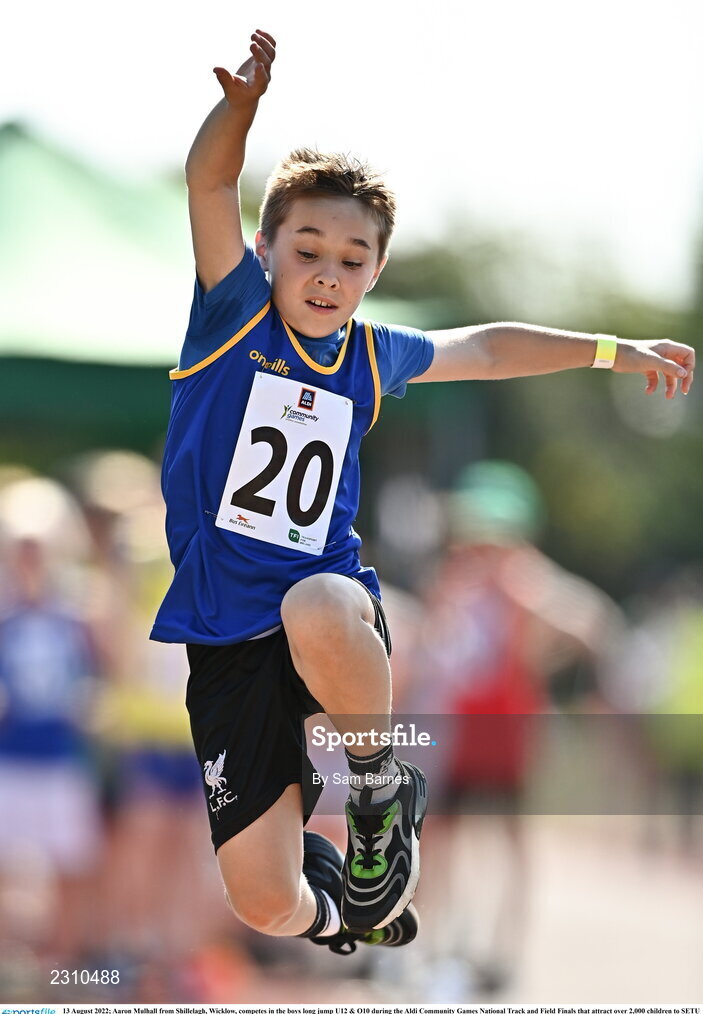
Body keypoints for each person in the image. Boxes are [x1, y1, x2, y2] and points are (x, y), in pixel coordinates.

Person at [150, 29, 695, 957]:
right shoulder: (233, 315)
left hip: (326, 617)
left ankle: (376, 783)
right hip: (224, 637)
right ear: (263, 249)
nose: (327, 273)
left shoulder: (368, 352)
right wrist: (237, 114)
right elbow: (209, 182)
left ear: (377, 272)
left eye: (352, 259)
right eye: (307, 249)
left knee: (316, 597)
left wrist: (612, 348)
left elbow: (484, 348)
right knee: (262, 903)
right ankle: (351, 914)